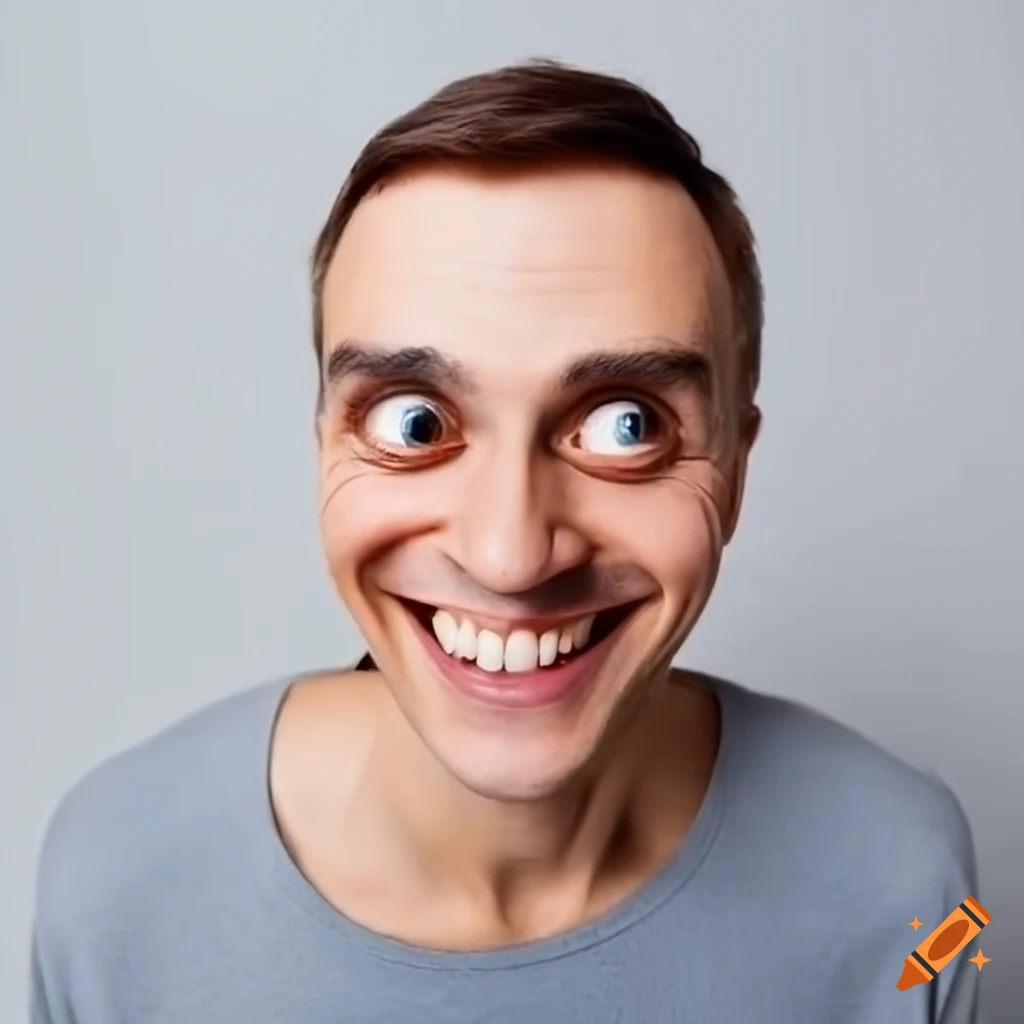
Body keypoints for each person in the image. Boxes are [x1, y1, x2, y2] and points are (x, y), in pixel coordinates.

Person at [31, 60, 981, 1023]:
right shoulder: (112, 882)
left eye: (626, 425)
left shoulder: (921, 894)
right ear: (324, 451)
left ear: (735, 469)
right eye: (414, 423)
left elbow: (950, 955)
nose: (510, 556)